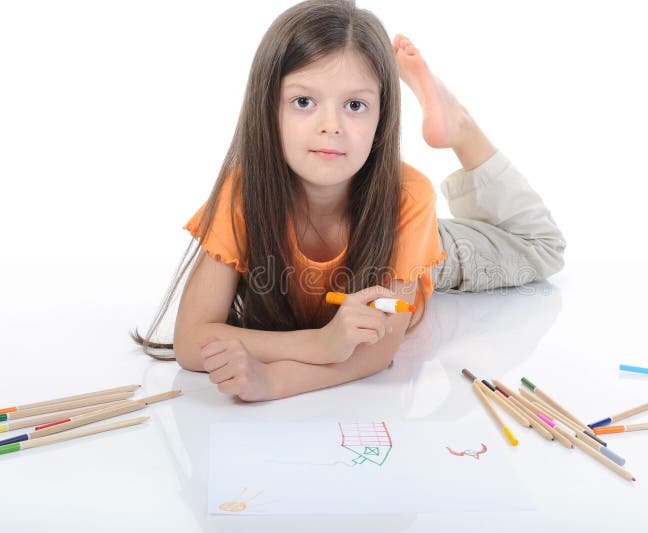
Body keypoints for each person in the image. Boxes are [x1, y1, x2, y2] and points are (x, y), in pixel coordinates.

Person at [131, 0, 565, 401]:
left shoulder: (410, 198)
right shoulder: (243, 192)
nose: (331, 125)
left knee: (540, 247)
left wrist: (276, 379)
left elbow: (377, 352)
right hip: (377, 231)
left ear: (382, 118)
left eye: (355, 105)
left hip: (419, 245)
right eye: (304, 101)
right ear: (269, 109)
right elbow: (192, 343)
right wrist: (322, 343)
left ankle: (461, 125)